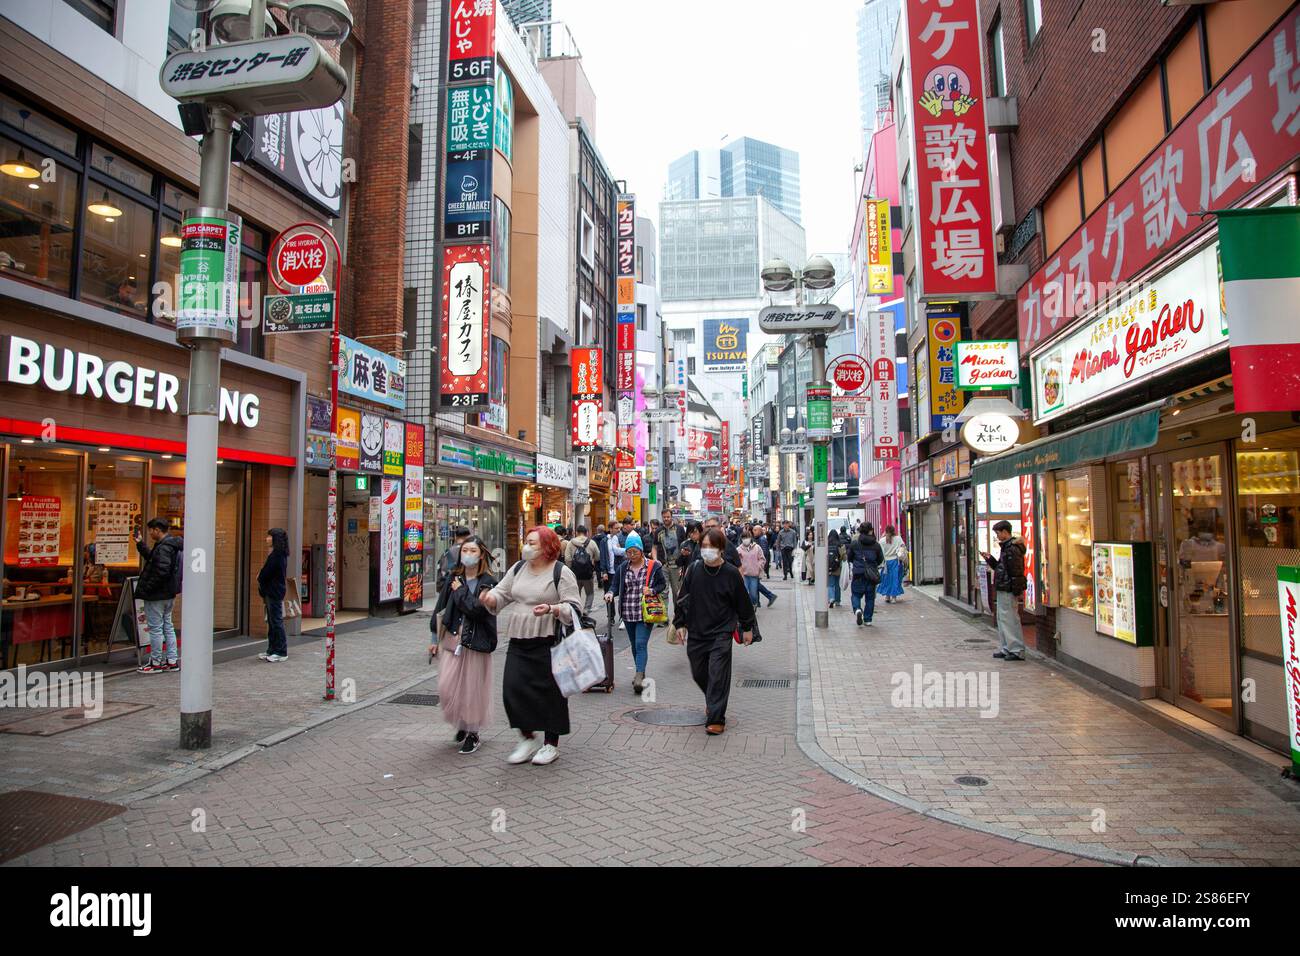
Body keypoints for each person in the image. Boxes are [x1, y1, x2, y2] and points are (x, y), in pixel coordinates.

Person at [479, 527, 581, 766]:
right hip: (518, 639)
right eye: (527, 541)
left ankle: (550, 744)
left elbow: (575, 607)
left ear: (547, 546)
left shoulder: (561, 572)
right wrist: (489, 598)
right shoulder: (518, 568)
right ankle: (527, 737)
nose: (527, 546)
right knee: (512, 690)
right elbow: (502, 593)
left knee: (551, 695)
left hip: (549, 641)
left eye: (532, 543)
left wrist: (553, 609)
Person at [673, 529, 756, 736]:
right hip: (697, 630)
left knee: (718, 673)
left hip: (722, 632)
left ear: (721, 549)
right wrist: (680, 624)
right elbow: (683, 599)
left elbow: (743, 603)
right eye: (704, 546)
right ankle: (713, 699)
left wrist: (747, 628)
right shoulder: (694, 569)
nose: (707, 550)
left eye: (711, 546)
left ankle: (716, 717)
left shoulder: (730, 574)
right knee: (699, 672)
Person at [431, 536, 498, 754]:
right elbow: (440, 608)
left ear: (481, 555)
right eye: (464, 550)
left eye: (472, 550)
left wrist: (460, 591)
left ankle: (472, 732)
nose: (467, 554)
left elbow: (477, 610)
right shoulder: (454, 577)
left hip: (475, 640)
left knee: (472, 689)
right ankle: (462, 722)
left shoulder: (488, 582)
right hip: (452, 637)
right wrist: (433, 639)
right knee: (447, 686)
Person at [606, 532, 668, 695]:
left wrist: (652, 590)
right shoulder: (622, 568)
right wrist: (610, 594)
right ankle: (640, 670)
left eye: (635, 551)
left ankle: (639, 676)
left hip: (645, 613)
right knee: (634, 645)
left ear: (641, 550)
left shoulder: (653, 566)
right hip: (628, 612)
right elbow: (614, 586)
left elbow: (662, 584)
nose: (632, 555)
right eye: (629, 552)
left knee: (641, 643)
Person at [134, 518, 183, 673]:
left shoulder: (163, 547)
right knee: (167, 626)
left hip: (157, 595)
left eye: (151, 530)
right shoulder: (169, 545)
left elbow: (161, 570)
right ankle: (172, 661)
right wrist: (141, 544)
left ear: (157, 530)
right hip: (168, 594)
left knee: (155, 629)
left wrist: (147, 589)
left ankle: (156, 663)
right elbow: (155, 561)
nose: (150, 533)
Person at [982, 520, 1028, 661]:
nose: (997, 536)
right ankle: (1007, 647)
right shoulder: (1007, 548)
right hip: (1004, 586)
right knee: (1003, 618)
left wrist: (1016, 590)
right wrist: (990, 560)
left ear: (1005, 532)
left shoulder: (1012, 549)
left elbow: (1016, 571)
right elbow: (1002, 568)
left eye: (998, 533)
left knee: (1009, 619)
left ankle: (1016, 649)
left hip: (1008, 588)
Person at [256, 528, 290, 662]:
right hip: (273, 591)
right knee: (272, 621)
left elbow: (266, 573)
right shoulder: (278, 554)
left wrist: (260, 575)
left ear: (275, 539)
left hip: (273, 592)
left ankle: (281, 651)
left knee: (275, 621)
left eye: (269, 536)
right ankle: (272, 650)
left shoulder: (277, 555)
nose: (267, 539)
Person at [847, 525, 884, 627]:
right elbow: (880, 559)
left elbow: (849, 557)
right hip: (871, 576)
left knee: (855, 594)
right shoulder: (876, 545)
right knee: (870, 598)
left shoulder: (855, 544)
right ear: (871, 531)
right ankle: (868, 619)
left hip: (858, 574)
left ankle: (858, 609)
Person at [563, 525, 601, 616]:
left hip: (574, 574)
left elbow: (567, 558)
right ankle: (586, 610)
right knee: (590, 593)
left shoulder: (571, 543)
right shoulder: (591, 542)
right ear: (586, 533)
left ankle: (577, 609)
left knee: (576, 593)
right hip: (588, 573)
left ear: (576, 533)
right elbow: (598, 557)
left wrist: (571, 568)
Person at [737, 532, 776, 608]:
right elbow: (736, 561)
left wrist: (758, 567)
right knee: (744, 593)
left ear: (750, 538)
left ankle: (755, 604)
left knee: (753, 594)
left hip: (754, 574)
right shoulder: (738, 549)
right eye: (744, 538)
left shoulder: (757, 547)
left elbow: (762, 559)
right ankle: (748, 608)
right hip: (744, 575)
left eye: (747, 537)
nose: (746, 540)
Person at [436, 527, 471, 592]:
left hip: (448, 590)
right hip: (466, 590)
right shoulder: (470, 552)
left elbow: (441, 573)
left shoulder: (447, 552)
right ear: (468, 537)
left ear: (455, 537)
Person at [879, 526, 907, 603]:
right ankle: (894, 598)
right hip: (895, 562)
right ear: (893, 531)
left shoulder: (882, 541)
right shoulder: (898, 539)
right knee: (895, 579)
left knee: (887, 579)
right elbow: (903, 547)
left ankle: (887, 597)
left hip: (886, 563)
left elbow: (880, 551)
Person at [826, 529, 843, 608]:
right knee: (837, 584)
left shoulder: (826, 545)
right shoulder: (839, 545)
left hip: (829, 567)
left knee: (830, 584)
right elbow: (844, 557)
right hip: (837, 568)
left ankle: (831, 598)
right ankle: (838, 601)